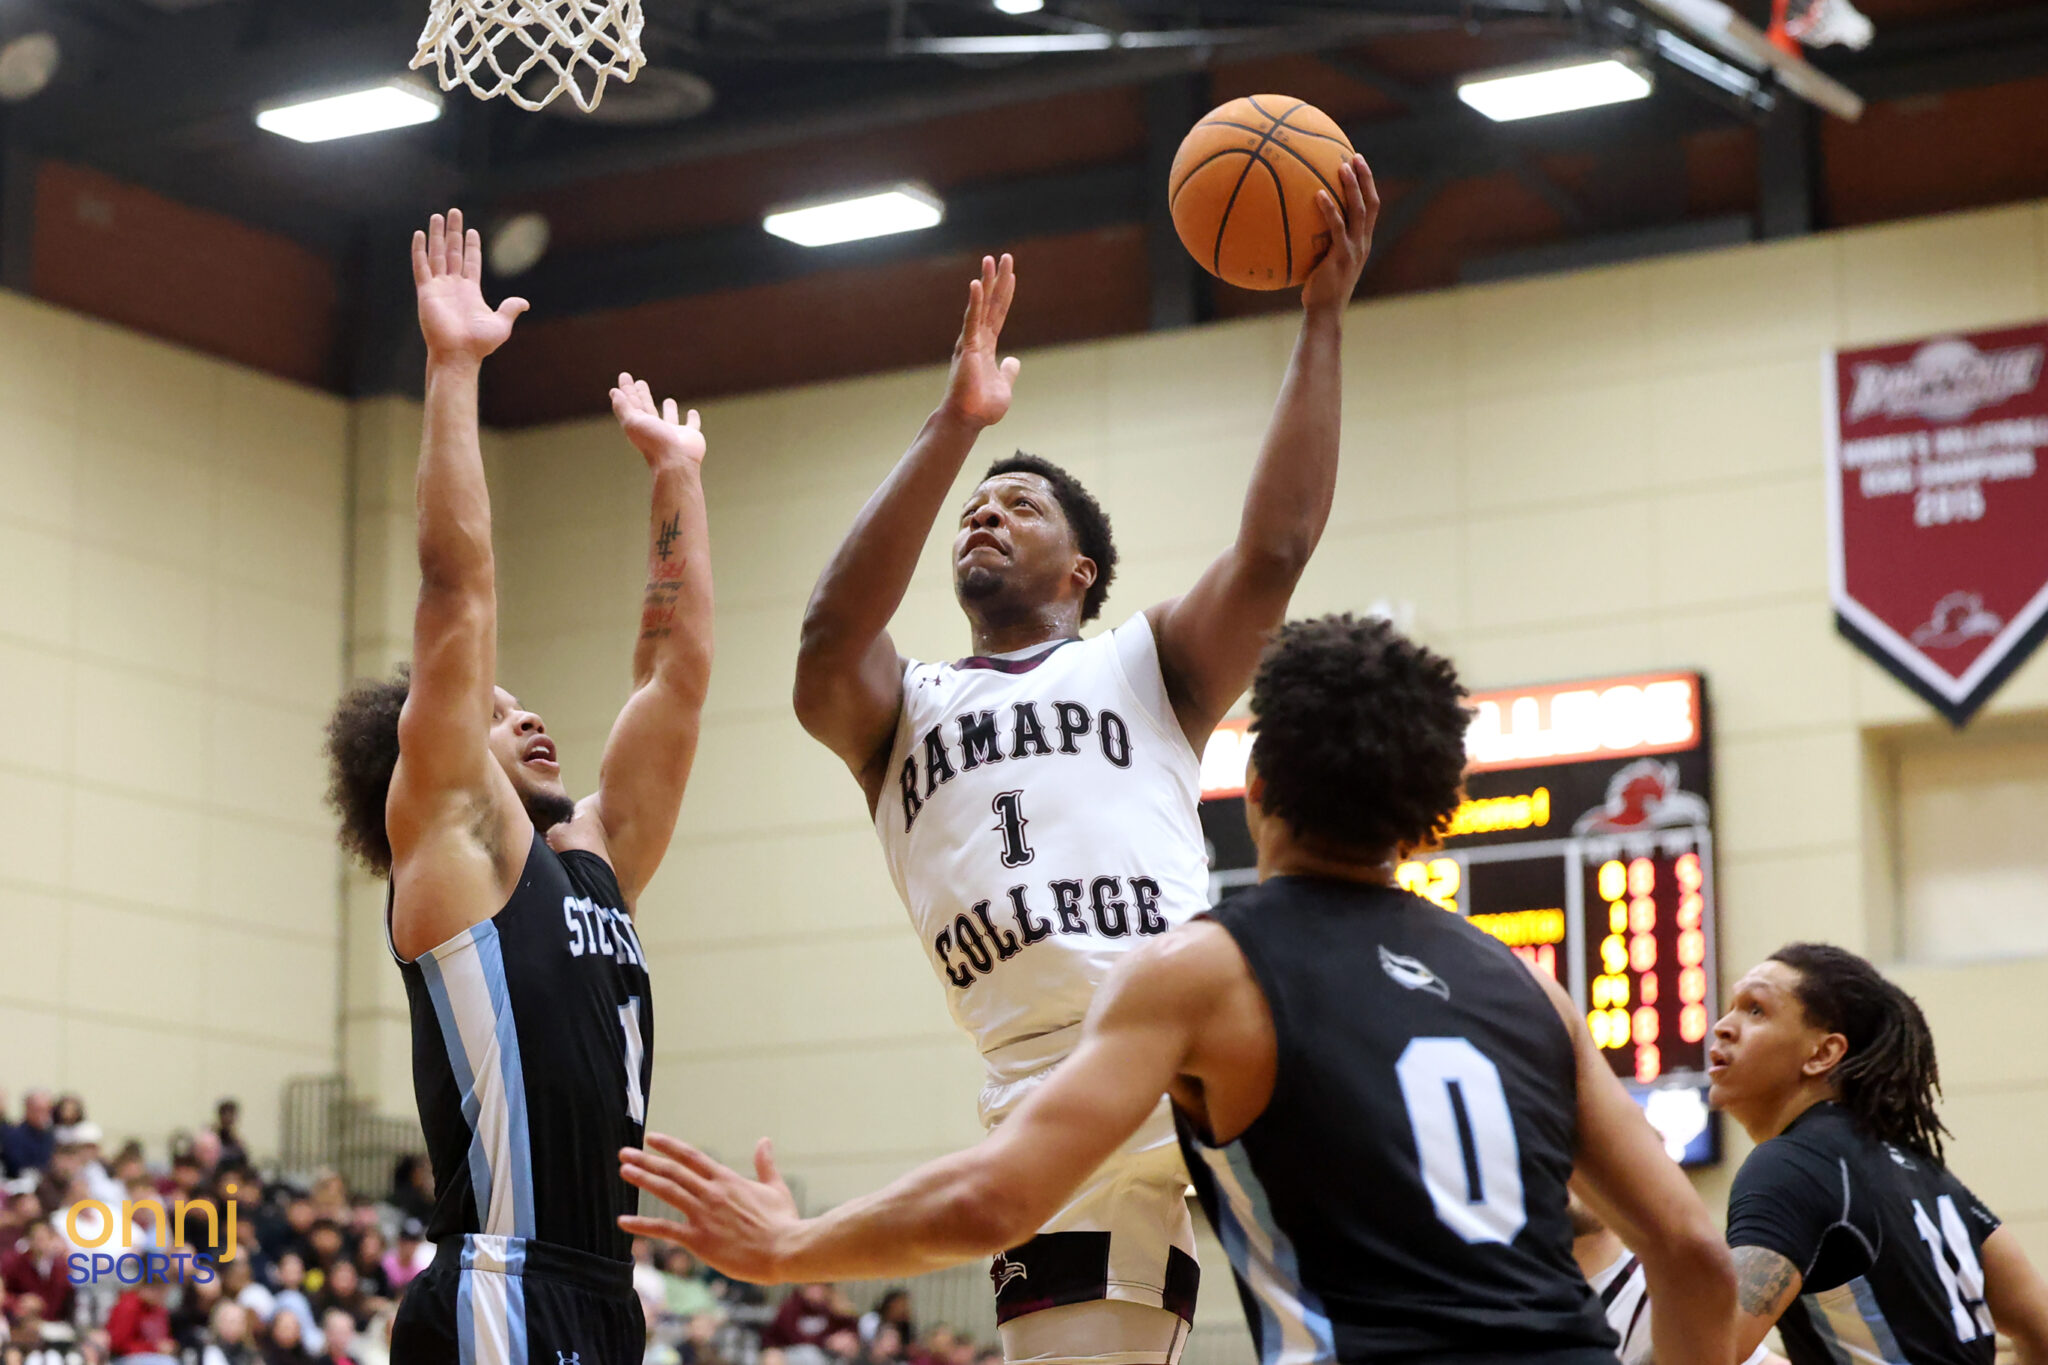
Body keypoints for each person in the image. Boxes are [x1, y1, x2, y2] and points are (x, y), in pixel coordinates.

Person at [621, 614, 1738, 1365]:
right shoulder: (1521, 989)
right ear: (1432, 807)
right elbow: (1689, 1254)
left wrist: (790, 1246)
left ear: (1251, 784)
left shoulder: (1203, 970)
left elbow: (994, 1203)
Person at [790, 145, 1380, 1364]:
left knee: (1379, 1336)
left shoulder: (1139, 663)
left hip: (1208, 1035)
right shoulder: (899, 707)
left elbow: (1272, 551)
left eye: (1020, 505)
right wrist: (956, 427)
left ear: (1081, 573)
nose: (983, 513)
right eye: (975, 506)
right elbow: (825, 635)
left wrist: (1320, 318)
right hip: (1043, 1088)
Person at [320, 210, 716, 1365]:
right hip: (501, 1280)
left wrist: (675, 483)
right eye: (494, 711)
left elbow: (677, 680)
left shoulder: (596, 856)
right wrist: (450, 370)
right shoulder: (449, 850)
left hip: (604, 1294)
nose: (524, 714)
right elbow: (457, 595)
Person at [1710, 943, 2048, 1365]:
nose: (1723, 1026)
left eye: (1755, 1009)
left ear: (1822, 1053)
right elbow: (2042, 1327)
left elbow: (1707, 1349)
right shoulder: (1930, 1175)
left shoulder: (1789, 1166)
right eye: (1731, 1008)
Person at [1, 1094, 55, 1180]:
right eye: (39, 1110)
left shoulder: (51, 1135)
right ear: (28, 1109)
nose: (44, 1115)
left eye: (48, 1110)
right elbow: (16, 1165)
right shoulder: (12, 1134)